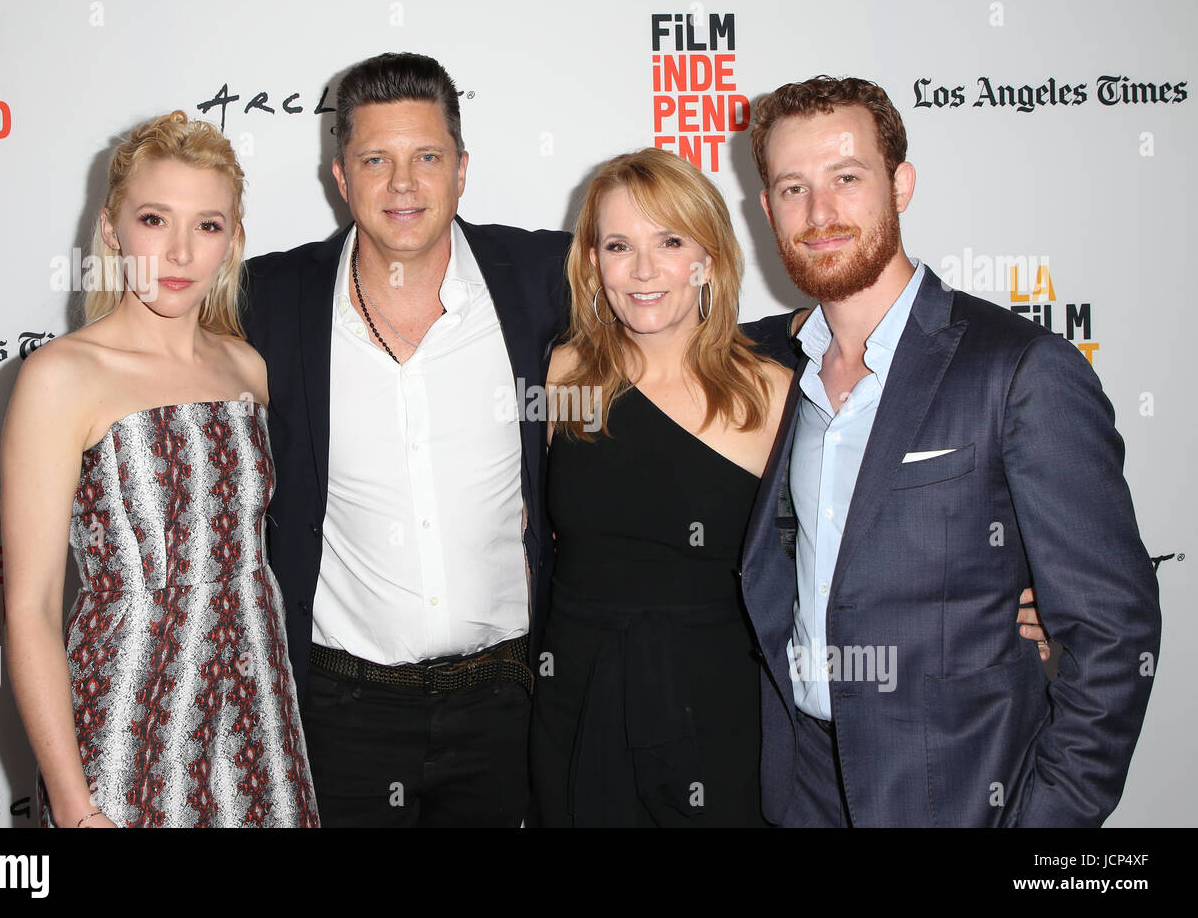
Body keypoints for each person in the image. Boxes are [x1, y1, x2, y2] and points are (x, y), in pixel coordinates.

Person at [740, 75, 1162, 827]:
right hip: (800, 794)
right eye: (793, 187)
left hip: (962, 799)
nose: (821, 212)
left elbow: (1113, 629)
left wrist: (1047, 822)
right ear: (767, 207)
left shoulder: (1019, 369)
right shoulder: (770, 365)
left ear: (901, 184)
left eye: (847, 178)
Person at [241, 53, 570, 827]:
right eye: (375, 160)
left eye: (426, 157)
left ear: (462, 169)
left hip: (508, 698)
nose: (403, 184)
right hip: (338, 708)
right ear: (340, 176)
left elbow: (673, 324)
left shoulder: (544, 277)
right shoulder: (269, 299)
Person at [3, 111, 319, 828]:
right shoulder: (62, 377)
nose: (178, 251)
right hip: (126, 721)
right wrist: (75, 805)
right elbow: (29, 608)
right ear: (113, 229)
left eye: (208, 226)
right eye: (154, 219)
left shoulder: (247, 366)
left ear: (232, 240)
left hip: (259, 711)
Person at [528, 148, 794, 826]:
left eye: (669, 241)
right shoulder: (562, 376)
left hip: (720, 705)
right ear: (594, 264)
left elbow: (839, 552)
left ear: (707, 258)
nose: (643, 269)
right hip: (577, 699)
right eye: (619, 245)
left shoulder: (772, 391)